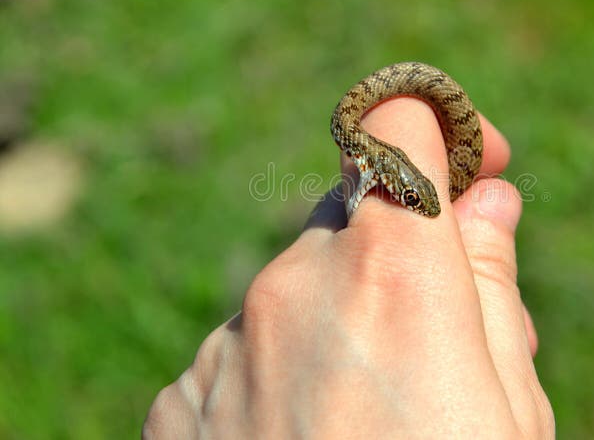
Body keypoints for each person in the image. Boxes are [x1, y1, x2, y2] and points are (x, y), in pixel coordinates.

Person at [142, 96, 555, 438]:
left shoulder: (377, 151)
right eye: (410, 200)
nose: (417, 209)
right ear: (383, 175)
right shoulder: (360, 142)